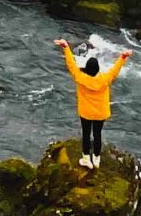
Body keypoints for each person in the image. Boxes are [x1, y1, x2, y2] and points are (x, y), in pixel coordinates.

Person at [54, 38, 132, 169]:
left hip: (85, 112)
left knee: (85, 134)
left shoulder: (80, 77)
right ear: (97, 70)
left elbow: (71, 64)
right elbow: (115, 70)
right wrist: (123, 56)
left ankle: (86, 160)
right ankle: (96, 160)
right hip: (100, 113)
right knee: (97, 135)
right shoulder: (105, 79)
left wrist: (66, 47)